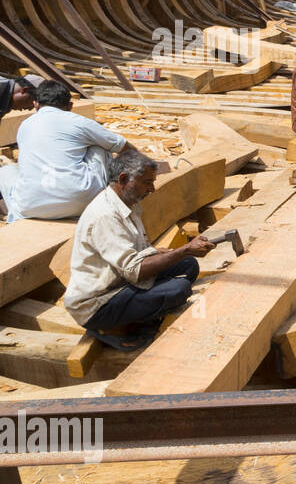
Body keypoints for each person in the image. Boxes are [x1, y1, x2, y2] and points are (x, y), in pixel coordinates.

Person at [63, 150, 214, 351]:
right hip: (98, 303)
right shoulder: (105, 215)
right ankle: (120, 329)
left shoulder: (128, 202)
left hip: (120, 281)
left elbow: (136, 253)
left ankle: (137, 314)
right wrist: (184, 249)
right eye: (147, 183)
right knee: (179, 289)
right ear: (124, 179)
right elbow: (134, 270)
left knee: (188, 265)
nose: (152, 189)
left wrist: (166, 253)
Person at [0, 79, 139, 222]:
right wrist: (144, 166)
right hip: (82, 203)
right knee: (99, 145)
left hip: (31, 206)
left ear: (36, 104)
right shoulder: (81, 122)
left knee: (5, 171)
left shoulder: (24, 125)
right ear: (70, 106)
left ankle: (14, 214)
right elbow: (123, 146)